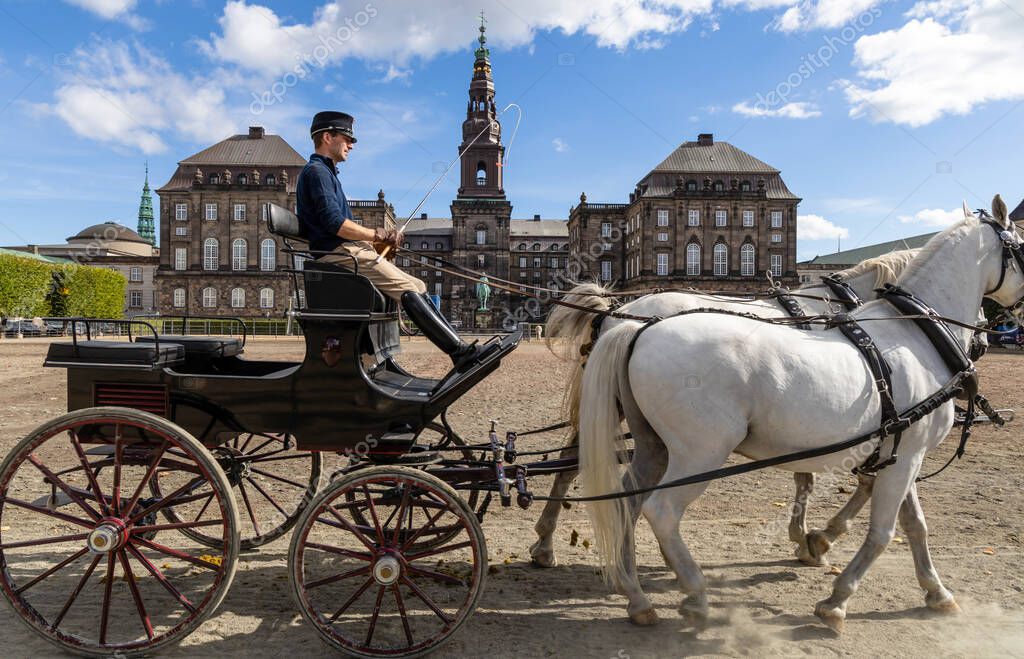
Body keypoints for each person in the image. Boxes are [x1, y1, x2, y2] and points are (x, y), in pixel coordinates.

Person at [296, 110, 487, 368]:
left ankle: (383, 359)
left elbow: (333, 224)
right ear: (328, 137)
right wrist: (376, 234)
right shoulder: (317, 172)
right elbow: (334, 224)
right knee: (409, 289)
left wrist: (375, 244)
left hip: (345, 251)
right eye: (347, 138)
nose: (351, 145)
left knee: (418, 285)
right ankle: (459, 354)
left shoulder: (326, 173)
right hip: (339, 255)